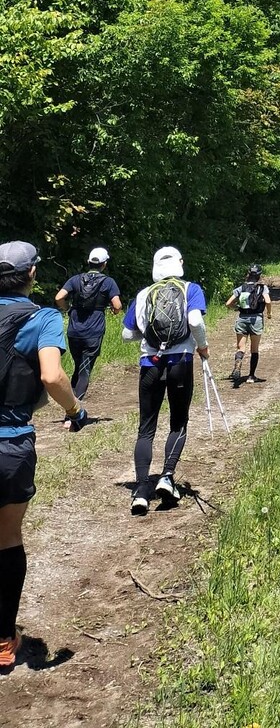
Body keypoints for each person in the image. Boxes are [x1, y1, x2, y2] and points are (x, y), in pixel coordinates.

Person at [0, 241, 86, 670]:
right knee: (7, 538)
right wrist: (74, 410)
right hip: (10, 442)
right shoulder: (43, 317)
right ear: (32, 274)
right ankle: (3, 640)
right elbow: (52, 376)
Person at [122, 246, 208, 516]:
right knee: (179, 421)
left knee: (146, 427)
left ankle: (141, 488)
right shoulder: (190, 289)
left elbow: (127, 334)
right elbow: (194, 321)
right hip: (180, 361)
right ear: (180, 264)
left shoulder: (144, 294)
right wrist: (202, 346)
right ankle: (167, 476)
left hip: (150, 363)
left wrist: (150, 339)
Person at [54, 246, 122, 405]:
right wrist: (113, 310)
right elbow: (117, 306)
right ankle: (73, 412)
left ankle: (69, 407)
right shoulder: (108, 282)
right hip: (94, 331)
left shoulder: (75, 279)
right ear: (104, 264)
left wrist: (67, 309)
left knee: (78, 367)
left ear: (88, 262)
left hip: (74, 330)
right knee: (84, 371)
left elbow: (59, 297)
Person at [224, 265, 271, 385]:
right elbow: (268, 301)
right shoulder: (262, 288)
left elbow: (228, 303)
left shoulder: (242, 287)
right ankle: (251, 376)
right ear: (259, 275)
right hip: (256, 320)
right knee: (254, 349)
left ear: (248, 274)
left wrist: (237, 308)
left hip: (242, 319)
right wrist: (269, 313)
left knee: (241, 348)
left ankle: (238, 364)